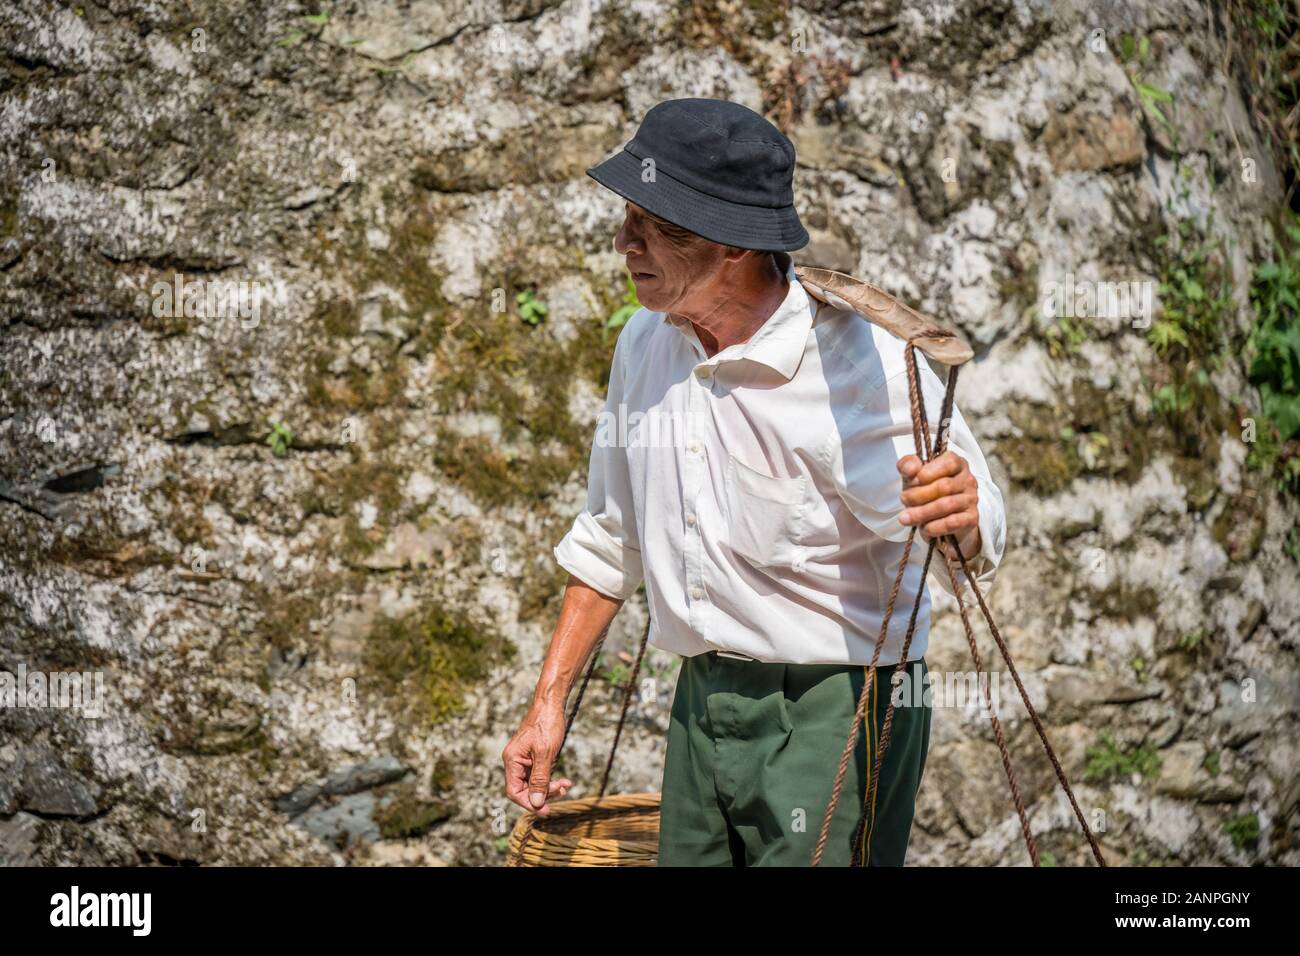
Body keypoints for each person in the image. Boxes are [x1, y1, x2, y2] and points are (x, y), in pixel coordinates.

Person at [502, 98, 1007, 866]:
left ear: (730, 245)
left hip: (836, 708)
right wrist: (548, 705)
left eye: (649, 226)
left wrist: (963, 513)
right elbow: (609, 539)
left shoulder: (860, 363)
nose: (622, 243)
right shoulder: (646, 344)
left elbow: (970, 526)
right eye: (627, 218)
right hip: (702, 703)